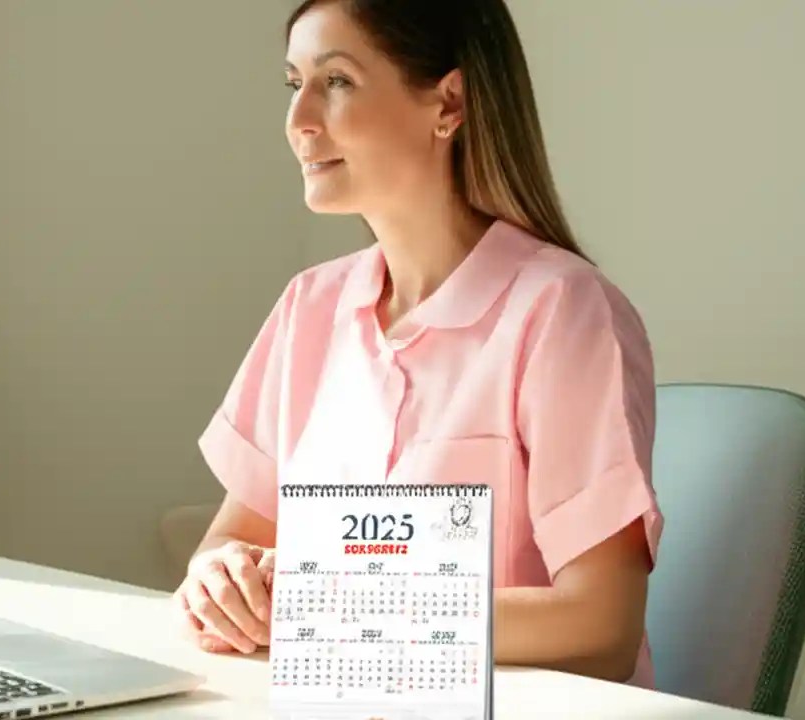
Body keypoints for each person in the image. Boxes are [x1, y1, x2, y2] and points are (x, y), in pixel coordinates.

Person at [170, 0, 664, 688]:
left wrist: (340, 607)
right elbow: (234, 539)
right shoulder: (308, 309)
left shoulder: (562, 312)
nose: (299, 122)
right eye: (294, 84)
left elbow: (601, 628)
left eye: (336, 81)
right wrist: (215, 580)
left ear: (449, 103)